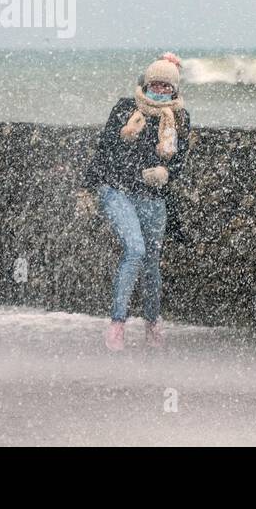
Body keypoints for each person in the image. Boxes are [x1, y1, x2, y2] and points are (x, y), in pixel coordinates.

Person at [80, 52, 191, 351]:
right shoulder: (125, 108)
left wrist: (165, 172)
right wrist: (86, 188)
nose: (161, 89)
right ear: (145, 82)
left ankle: (153, 324)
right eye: (155, 83)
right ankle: (117, 325)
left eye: (167, 86)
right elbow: (104, 149)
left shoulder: (179, 117)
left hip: (153, 197)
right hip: (117, 190)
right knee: (135, 249)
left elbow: (179, 160)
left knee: (152, 262)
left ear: (176, 89)